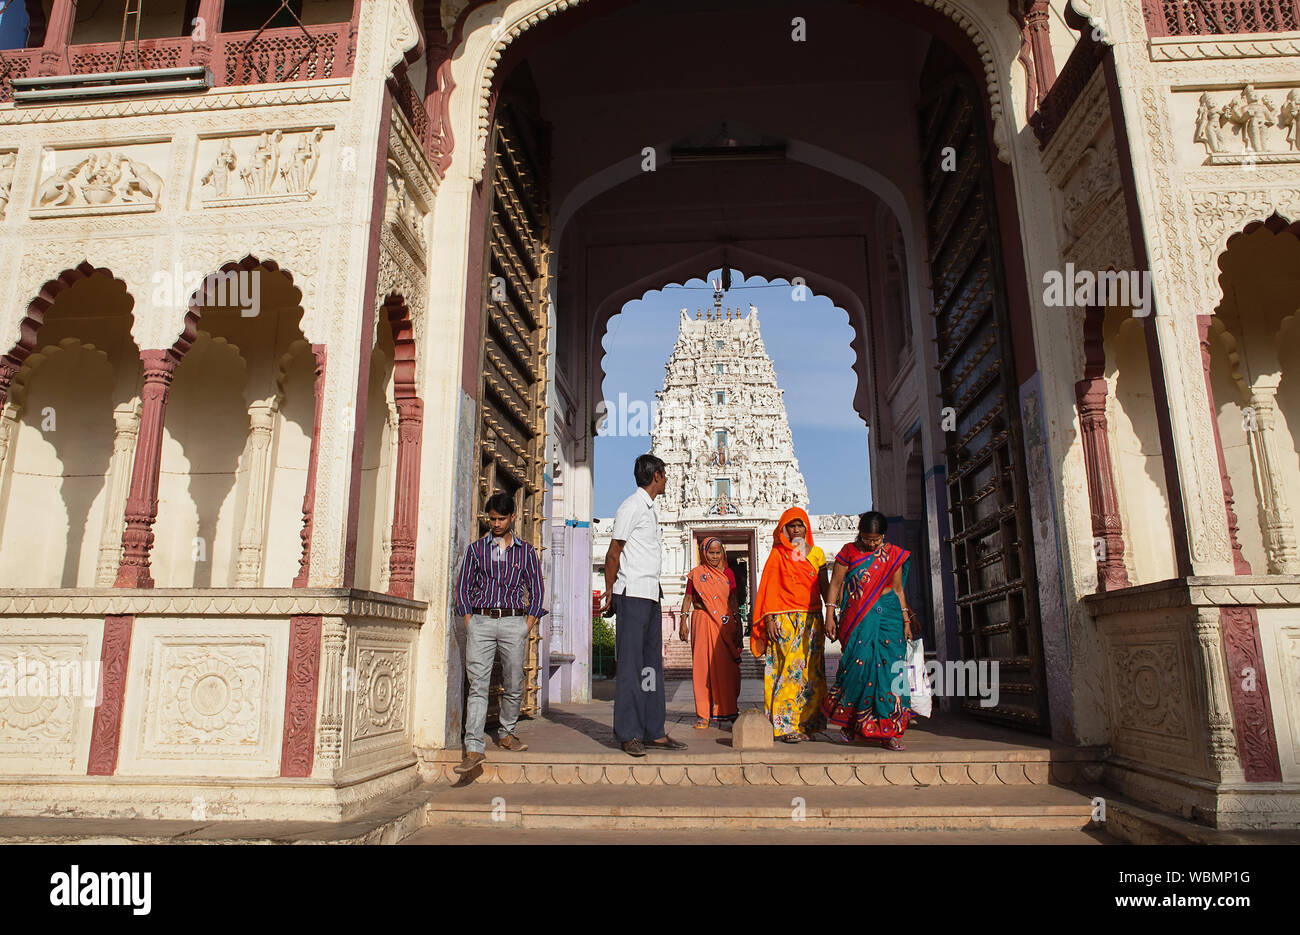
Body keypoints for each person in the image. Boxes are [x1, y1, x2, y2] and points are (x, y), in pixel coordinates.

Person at [601, 454, 689, 757]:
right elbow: (613, 553)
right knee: (630, 666)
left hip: (651, 594)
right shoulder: (631, 507)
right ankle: (628, 732)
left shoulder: (650, 510)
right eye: (665, 475)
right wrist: (610, 592)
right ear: (657, 476)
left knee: (651, 667)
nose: (666, 480)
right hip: (632, 595)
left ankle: (654, 729)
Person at [453, 491, 545, 774]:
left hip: (513, 622)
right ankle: (473, 747)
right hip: (481, 621)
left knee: (514, 681)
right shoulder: (476, 550)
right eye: (491, 519)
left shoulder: (527, 552)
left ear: (513, 517)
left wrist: (524, 626)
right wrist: (470, 620)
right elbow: (463, 588)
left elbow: (537, 591)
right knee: (478, 685)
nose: (495, 524)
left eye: (501, 518)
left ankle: (506, 732)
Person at [822, 511, 917, 751]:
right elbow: (835, 584)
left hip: (889, 617)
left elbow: (898, 590)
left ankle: (891, 731)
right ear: (860, 533)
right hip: (857, 618)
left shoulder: (893, 554)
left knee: (891, 672)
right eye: (867, 539)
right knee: (856, 668)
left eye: (876, 540)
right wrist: (830, 615)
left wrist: (906, 621)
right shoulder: (848, 552)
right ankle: (851, 724)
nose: (872, 544)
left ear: (883, 535)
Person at [752, 507, 829, 743]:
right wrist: (769, 619)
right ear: (783, 529)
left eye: (800, 525)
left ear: (807, 527)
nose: (795, 530)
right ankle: (784, 725)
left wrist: (834, 615)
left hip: (812, 618)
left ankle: (807, 723)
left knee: (812, 673)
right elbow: (768, 589)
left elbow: (825, 587)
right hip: (784, 619)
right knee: (789, 670)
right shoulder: (777, 555)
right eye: (791, 525)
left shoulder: (816, 554)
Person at [679, 536, 741, 729]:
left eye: (717, 552)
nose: (714, 556)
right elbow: (688, 597)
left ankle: (728, 710)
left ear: (723, 553)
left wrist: (738, 620)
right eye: (710, 552)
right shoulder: (697, 574)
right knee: (701, 668)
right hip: (701, 619)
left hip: (723, 623)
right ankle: (703, 714)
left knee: (726, 668)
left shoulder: (728, 574)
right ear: (703, 553)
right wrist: (683, 619)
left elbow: (733, 599)